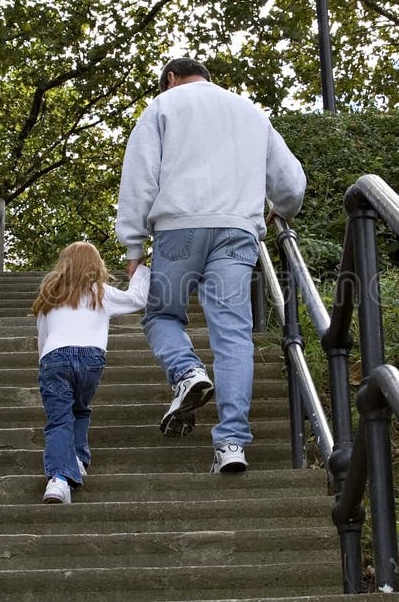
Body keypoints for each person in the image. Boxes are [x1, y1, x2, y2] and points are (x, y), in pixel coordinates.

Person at [116, 57, 306, 474]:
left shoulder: (163, 107)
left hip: (179, 227)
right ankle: (232, 444)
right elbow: (291, 184)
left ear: (170, 79)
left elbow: (140, 178)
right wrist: (282, 210)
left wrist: (133, 249)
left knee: (162, 313)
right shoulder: (251, 112)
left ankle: (186, 373)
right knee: (234, 335)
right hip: (238, 231)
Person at [32, 241, 150, 503]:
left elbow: (43, 335)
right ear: (96, 266)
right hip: (91, 359)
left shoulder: (51, 294)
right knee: (80, 409)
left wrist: (45, 363)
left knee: (59, 418)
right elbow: (138, 299)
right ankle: (77, 458)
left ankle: (59, 480)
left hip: (54, 357)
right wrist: (140, 272)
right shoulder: (101, 292)